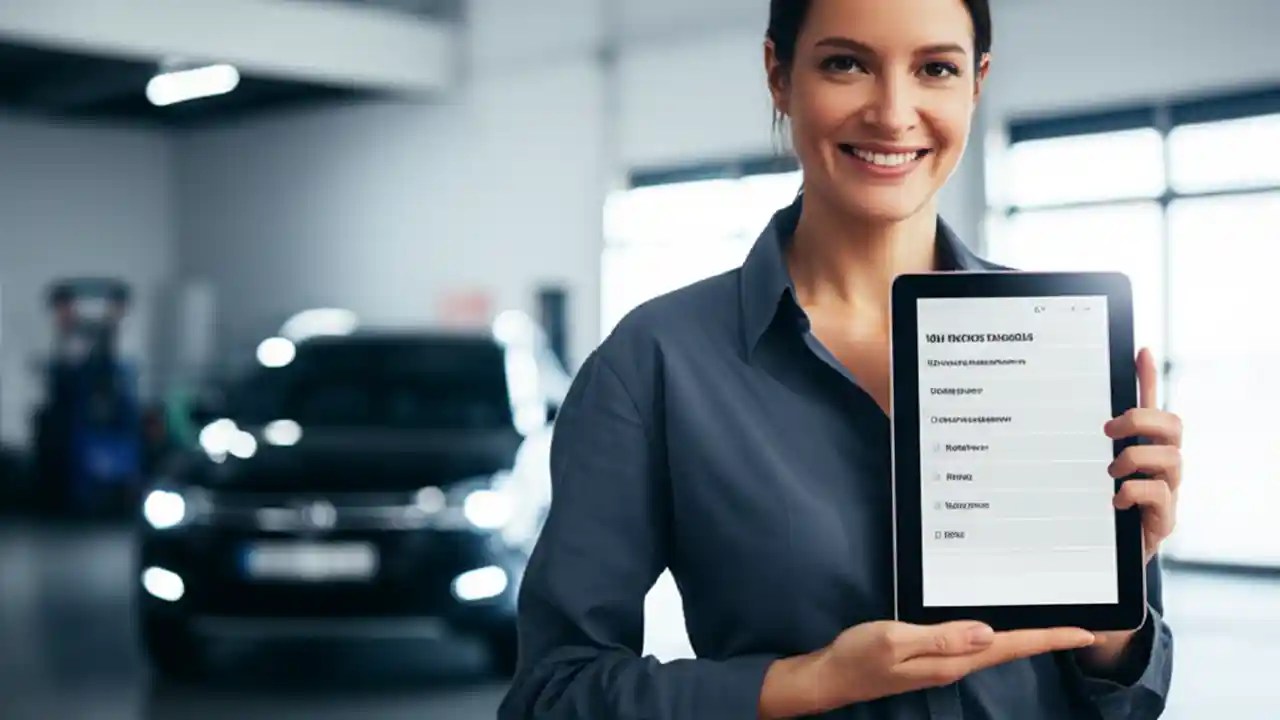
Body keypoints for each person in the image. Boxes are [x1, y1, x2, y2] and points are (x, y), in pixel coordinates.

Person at [499, 0, 1178, 717]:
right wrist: (809, 681)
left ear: (976, 83)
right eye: (846, 64)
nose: (892, 113)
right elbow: (552, 694)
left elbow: (1128, 703)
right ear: (779, 75)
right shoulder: (655, 363)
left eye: (935, 68)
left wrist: (1111, 614)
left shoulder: (1062, 341)